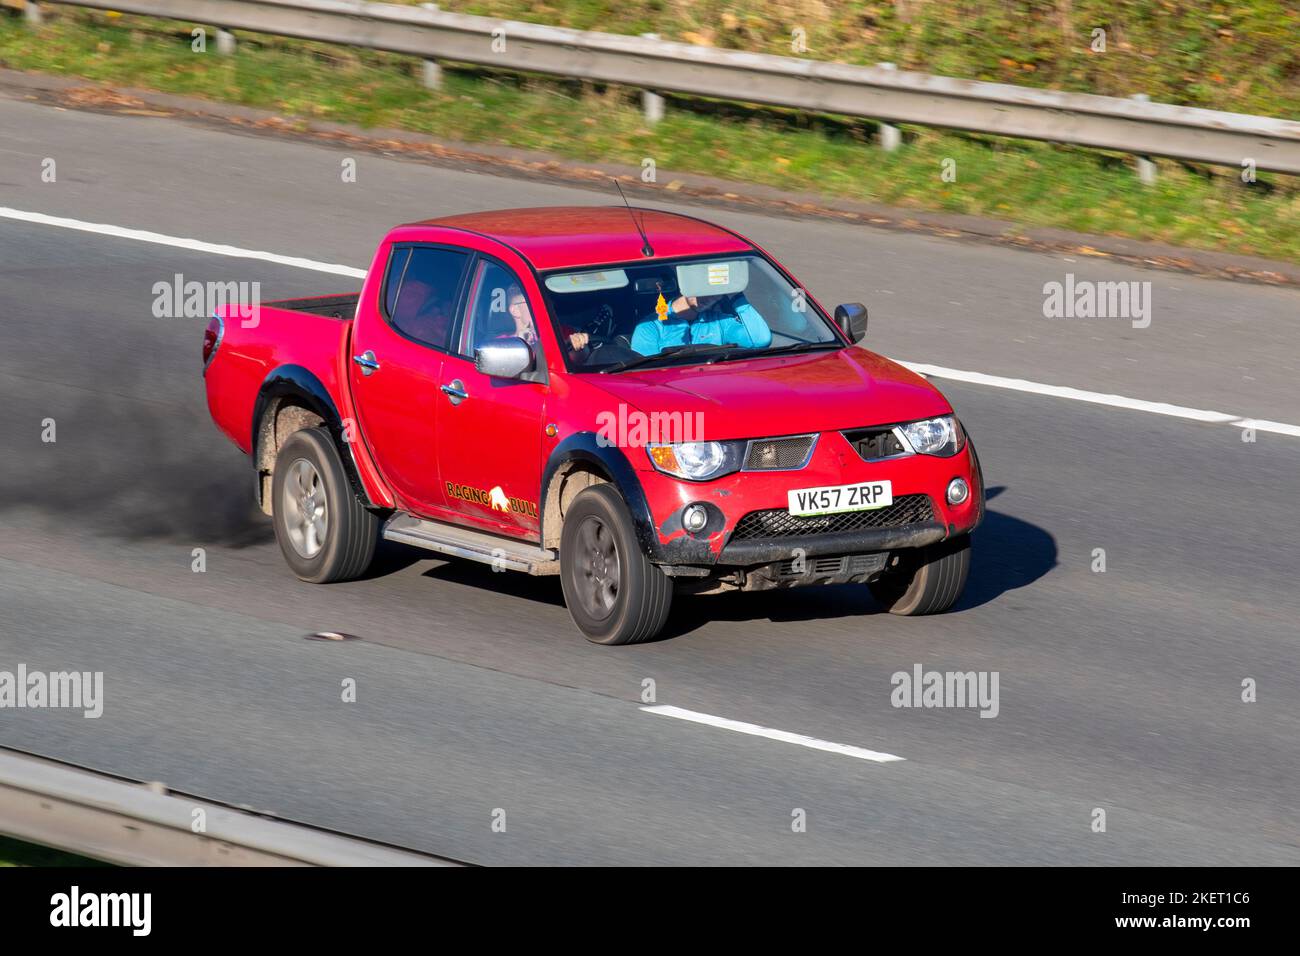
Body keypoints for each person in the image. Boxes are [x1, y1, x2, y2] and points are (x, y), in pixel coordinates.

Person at [630, 291, 771, 356]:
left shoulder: (719, 321)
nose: (711, 296)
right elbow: (645, 376)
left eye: (717, 292)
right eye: (703, 288)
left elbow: (760, 340)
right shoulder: (650, 327)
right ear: (686, 284)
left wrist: (737, 297)